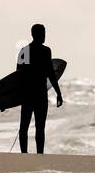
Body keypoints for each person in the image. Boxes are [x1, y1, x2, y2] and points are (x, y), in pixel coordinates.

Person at [17, 24, 63, 154]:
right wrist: (58, 93)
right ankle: (30, 155)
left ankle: (35, 155)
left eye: (44, 33)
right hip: (37, 94)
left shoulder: (27, 51)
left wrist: (58, 93)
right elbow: (18, 77)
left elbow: (18, 77)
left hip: (32, 94)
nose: (44, 36)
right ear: (34, 34)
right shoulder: (43, 51)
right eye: (42, 33)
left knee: (36, 127)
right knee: (28, 127)